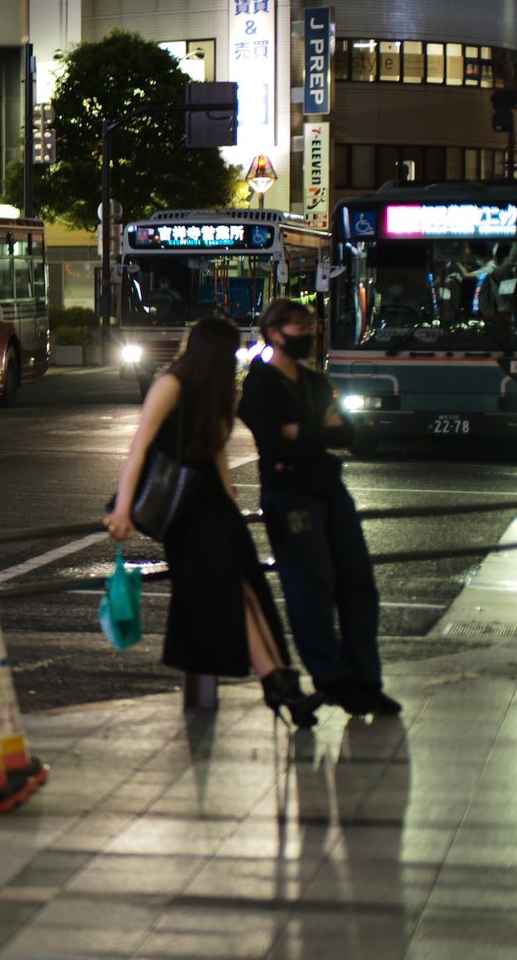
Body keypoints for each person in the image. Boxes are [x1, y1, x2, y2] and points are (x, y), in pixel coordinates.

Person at [105, 316, 318, 727]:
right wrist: (123, 508)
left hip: (211, 507)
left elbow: (217, 453)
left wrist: (231, 502)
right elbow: (140, 447)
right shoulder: (173, 384)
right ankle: (280, 685)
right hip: (188, 510)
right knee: (237, 593)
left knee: (250, 590)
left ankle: (281, 683)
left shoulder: (210, 388)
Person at [239, 298, 399, 717]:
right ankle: (332, 678)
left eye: (311, 326)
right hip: (289, 494)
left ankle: (366, 679)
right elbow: (274, 442)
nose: (308, 335)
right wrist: (313, 431)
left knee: (358, 583)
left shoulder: (312, 380)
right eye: (300, 327)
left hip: (329, 488)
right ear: (274, 332)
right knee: (310, 588)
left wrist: (300, 432)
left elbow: (346, 431)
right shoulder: (260, 384)